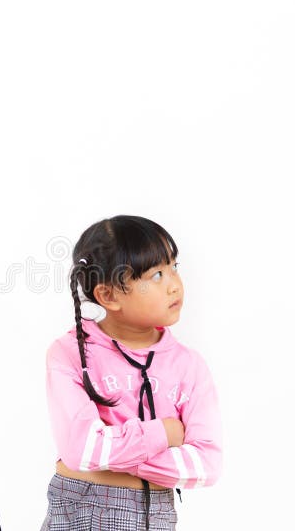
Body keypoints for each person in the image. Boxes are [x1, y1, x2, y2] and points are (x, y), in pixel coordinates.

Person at [41, 215, 222, 531]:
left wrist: (112, 454)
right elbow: (81, 449)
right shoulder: (71, 353)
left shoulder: (189, 365)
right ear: (108, 295)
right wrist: (164, 434)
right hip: (82, 511)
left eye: (174, 267)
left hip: (158, 515)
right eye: (156, 275)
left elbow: (207, 464)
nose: (174, 284)